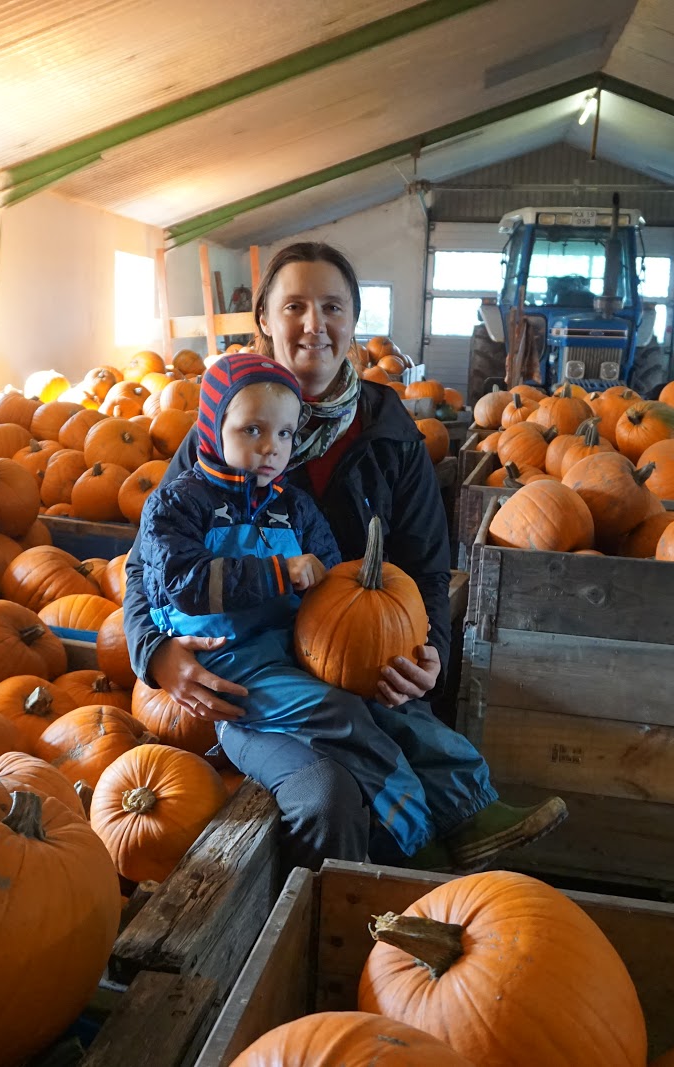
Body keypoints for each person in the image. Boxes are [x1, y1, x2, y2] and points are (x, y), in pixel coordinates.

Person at [124, 240, 566, 872]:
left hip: (363, 656)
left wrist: (428, 652)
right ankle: (343, 931)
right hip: (248, 675)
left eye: (332, 306)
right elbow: (150, 562)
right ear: (266, 323)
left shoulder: (392, 436)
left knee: (406, 724)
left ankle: (447, 848)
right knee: (329, 796)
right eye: (294, 306)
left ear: (354, 322)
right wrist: (154, 652)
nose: (314, 324)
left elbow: (425, 568)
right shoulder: (216, 438)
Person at [133, 352, 438, 862]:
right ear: (214, 426)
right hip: (230, 671)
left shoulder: (292, 503)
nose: (271, 448)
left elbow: (334, 582)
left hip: (292, 659)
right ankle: (415, 834)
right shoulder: (179, 501)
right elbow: (178, 581)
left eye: (285, 435)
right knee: (340, 719)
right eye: (252, 430)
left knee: (399, 719)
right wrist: (153, 650)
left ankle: (462, 809)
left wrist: (380, 637)